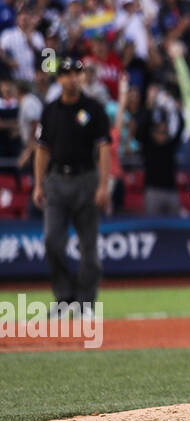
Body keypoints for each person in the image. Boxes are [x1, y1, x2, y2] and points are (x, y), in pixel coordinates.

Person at [32, 58, 112, 316]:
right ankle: (64, 297)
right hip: (56, 181)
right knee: (51, 240)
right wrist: (38, 184)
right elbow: (42, 150)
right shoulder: (50, 110)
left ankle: (85, 302)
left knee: (89, 247)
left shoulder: (94, 109)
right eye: (66, 73)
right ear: (59, 79)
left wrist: (103, 185)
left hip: (86, 179)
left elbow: (104, 147)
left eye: (77, 72)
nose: (72, 77)